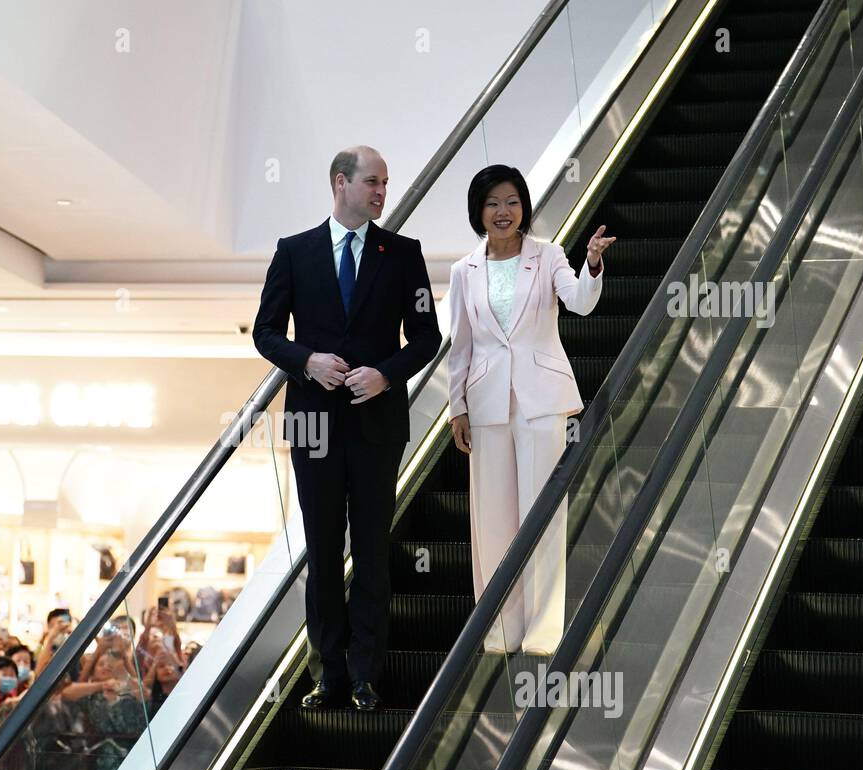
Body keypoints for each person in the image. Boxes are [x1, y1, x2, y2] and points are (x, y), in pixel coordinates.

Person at [253, 145, 440, 711]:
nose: (383, 192)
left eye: (385, 183)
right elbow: (266, 333)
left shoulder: (404, 254)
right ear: (341, 182)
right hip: (313, 424)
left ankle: (365, 675)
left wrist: (386, 374)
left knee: (374, 555)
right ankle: (327, 674)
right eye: (373, 182)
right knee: (323, 552)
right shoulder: (294, 252)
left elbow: (427, 337)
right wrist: (306, 360)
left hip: (378, 425)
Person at [446, 164, 614, 656]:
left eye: (512, 201)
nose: (504, 211)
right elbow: (461, 345)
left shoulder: (549, 256)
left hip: (541, 401)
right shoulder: (463, 270)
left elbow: (580, 302)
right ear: (479, 211)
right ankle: (499, 629)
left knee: (542, 515)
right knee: (492, 520)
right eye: (493, 203)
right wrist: (458, 407)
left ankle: (542, 632)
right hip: (486, 403)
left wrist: (593, 264)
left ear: (524, 208)